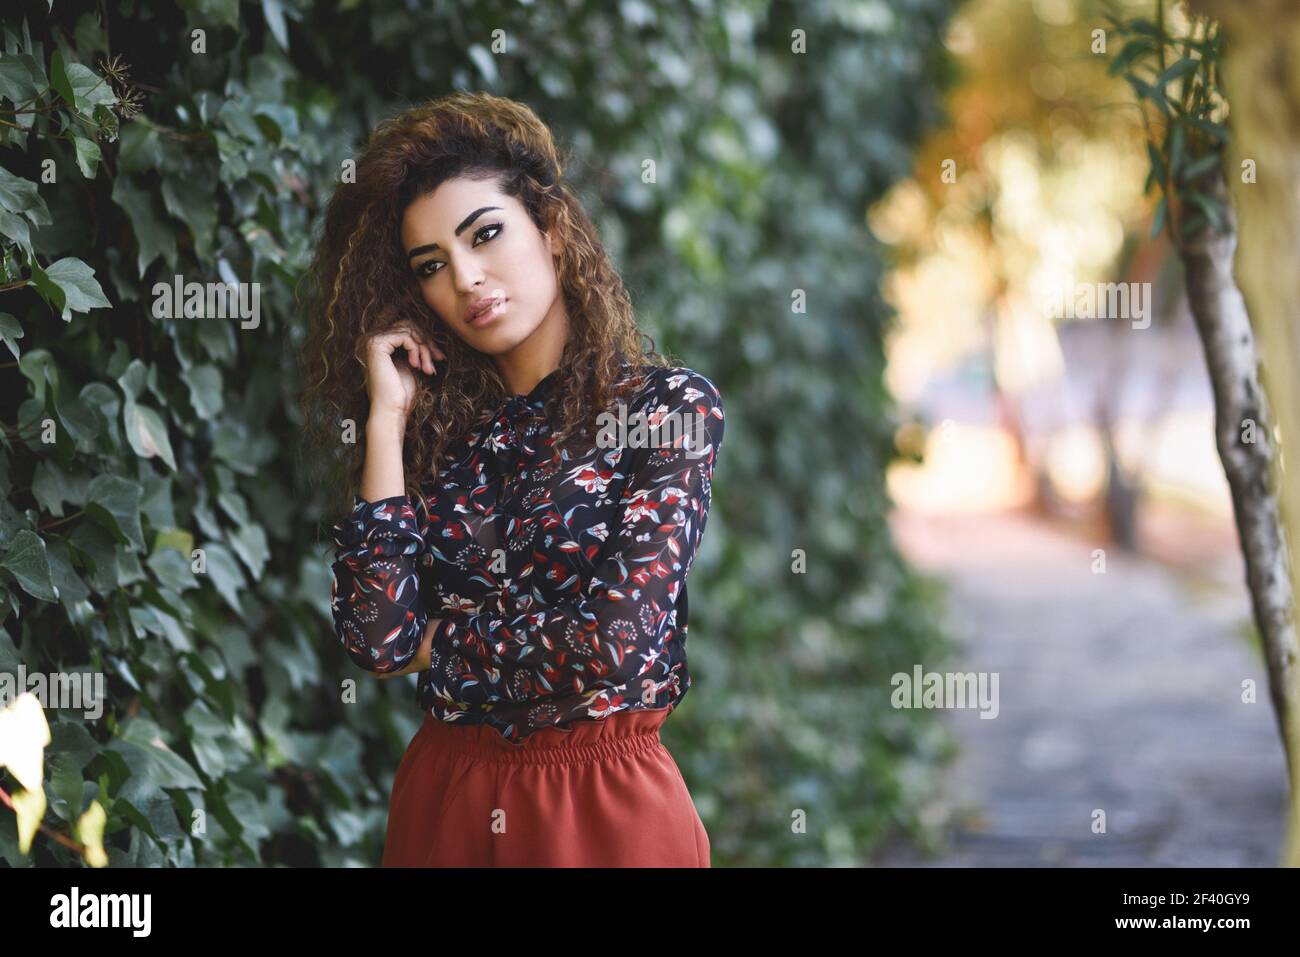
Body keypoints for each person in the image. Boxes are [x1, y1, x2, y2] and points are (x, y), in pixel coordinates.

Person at [299, 91, 725, 867]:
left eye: (485, 234)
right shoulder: (434, 433)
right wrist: (387, 423)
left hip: (605, 802)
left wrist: (443, 643)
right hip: (446, 799)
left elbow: (615, 643)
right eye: (432, 265)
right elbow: (378, 636)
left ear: (553, 232)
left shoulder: (667, 408)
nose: (466, 278)